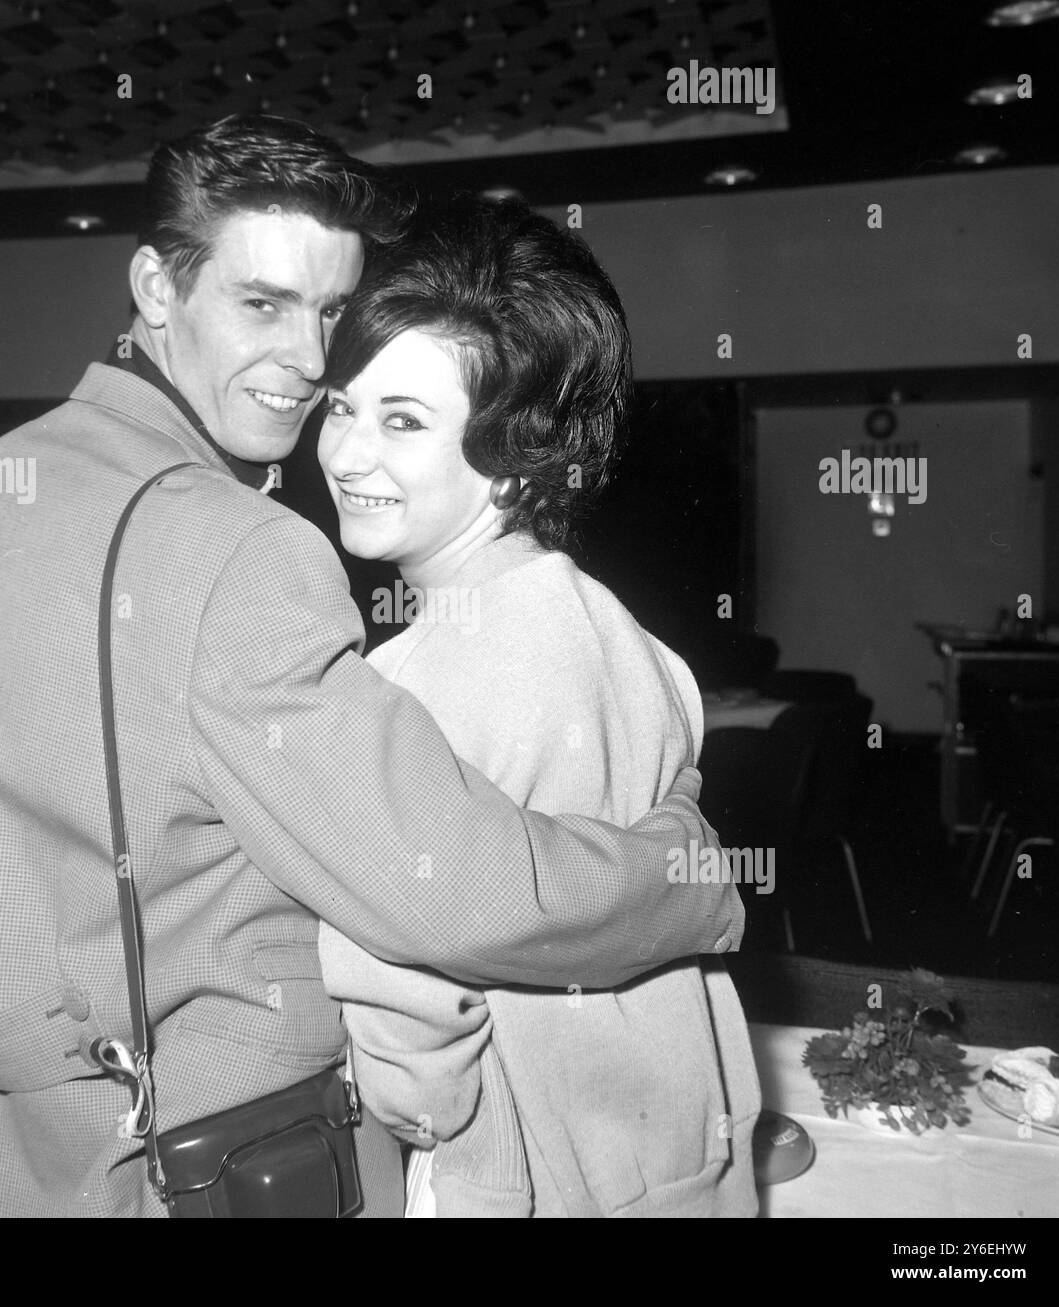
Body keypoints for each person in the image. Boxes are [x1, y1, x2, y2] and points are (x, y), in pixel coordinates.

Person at [0, 115, 743, 1219]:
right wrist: (692, 875)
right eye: (262, 303)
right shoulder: (238, 546)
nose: (306, 361)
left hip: (15, 1144)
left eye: (331, 310)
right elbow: (468, 896)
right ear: (156, 285)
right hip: (227, 1154)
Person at [317, 195, 761, 1217]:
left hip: (512, 1170)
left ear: (519, 455)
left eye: (402, 420)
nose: (346, 453)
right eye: (342, 404)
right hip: (668, 1148)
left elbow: (405, 1020)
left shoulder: (404, 688)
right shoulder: (641, 648)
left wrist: (410, 1114)